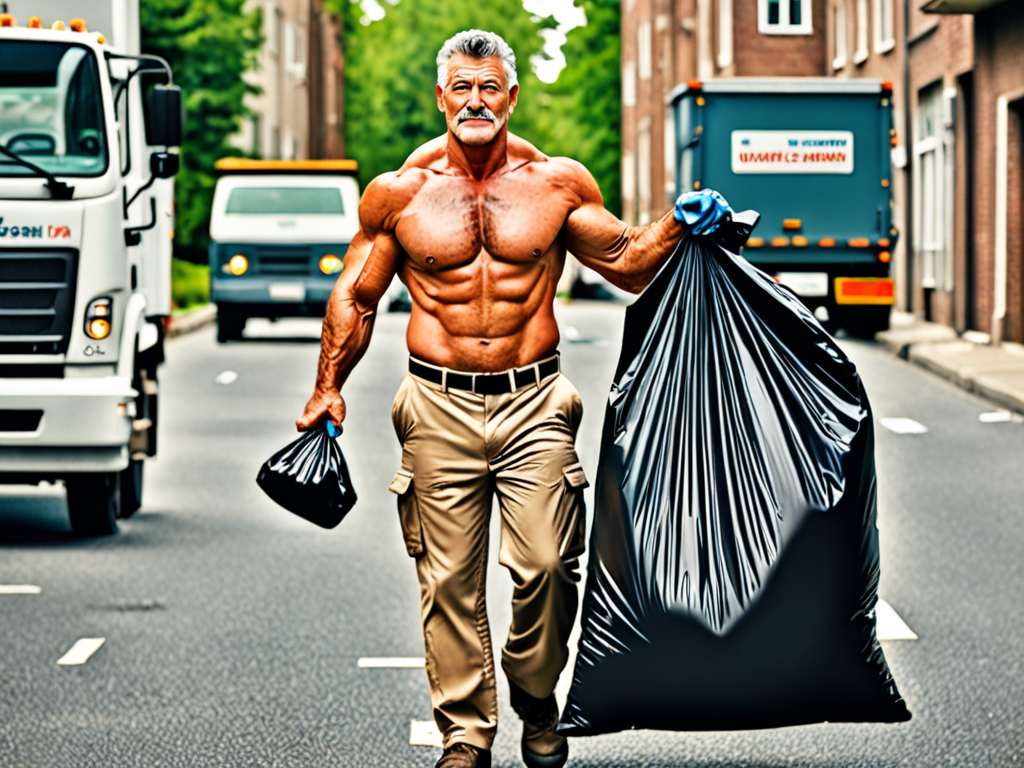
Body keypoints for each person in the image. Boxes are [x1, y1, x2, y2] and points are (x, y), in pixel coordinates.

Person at [297, 29, 731, 768]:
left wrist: (676, 225)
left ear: (511, 96)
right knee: (448, 581)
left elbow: (625, 262)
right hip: (437, 404)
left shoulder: (556, 184)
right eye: (461, 88)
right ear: (441, 97)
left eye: (488, 87)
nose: (474, 101)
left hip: (535, 402)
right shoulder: (399, 193)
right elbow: (357, 296)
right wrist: (326, 388)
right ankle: (465, 732)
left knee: (549, 567)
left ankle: (535, 695)